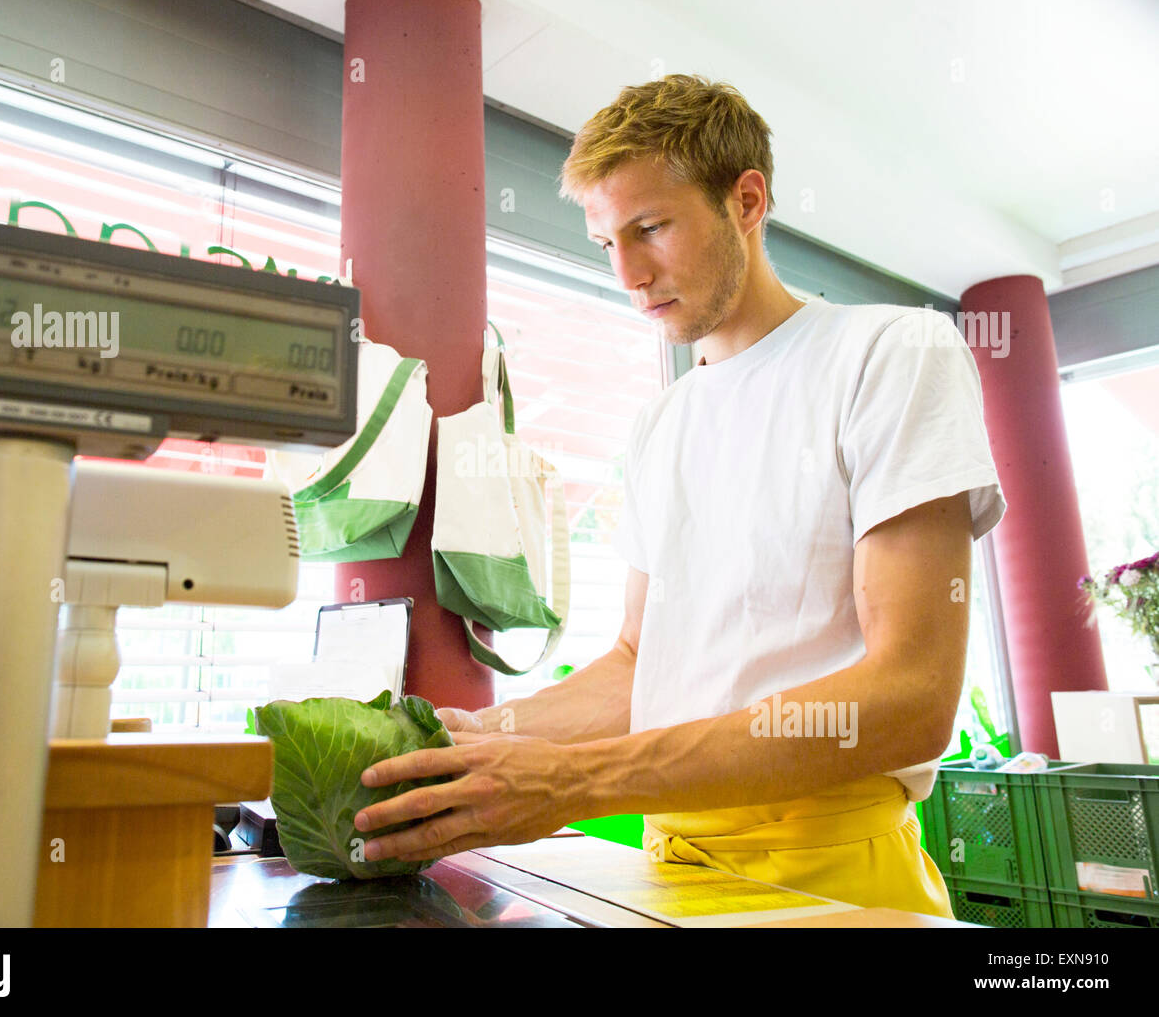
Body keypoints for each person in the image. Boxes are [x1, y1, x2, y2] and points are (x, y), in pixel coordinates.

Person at [352, 74, 1006, 918]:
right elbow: (637, 664)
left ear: (746, 201)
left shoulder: (892, 353)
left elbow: (908, 699)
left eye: (650, 227)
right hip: (676, 870)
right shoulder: (663, 423)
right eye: (604, 244)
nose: (627, 272)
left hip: (833, 870)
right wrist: (486, 735)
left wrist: (577, 782)